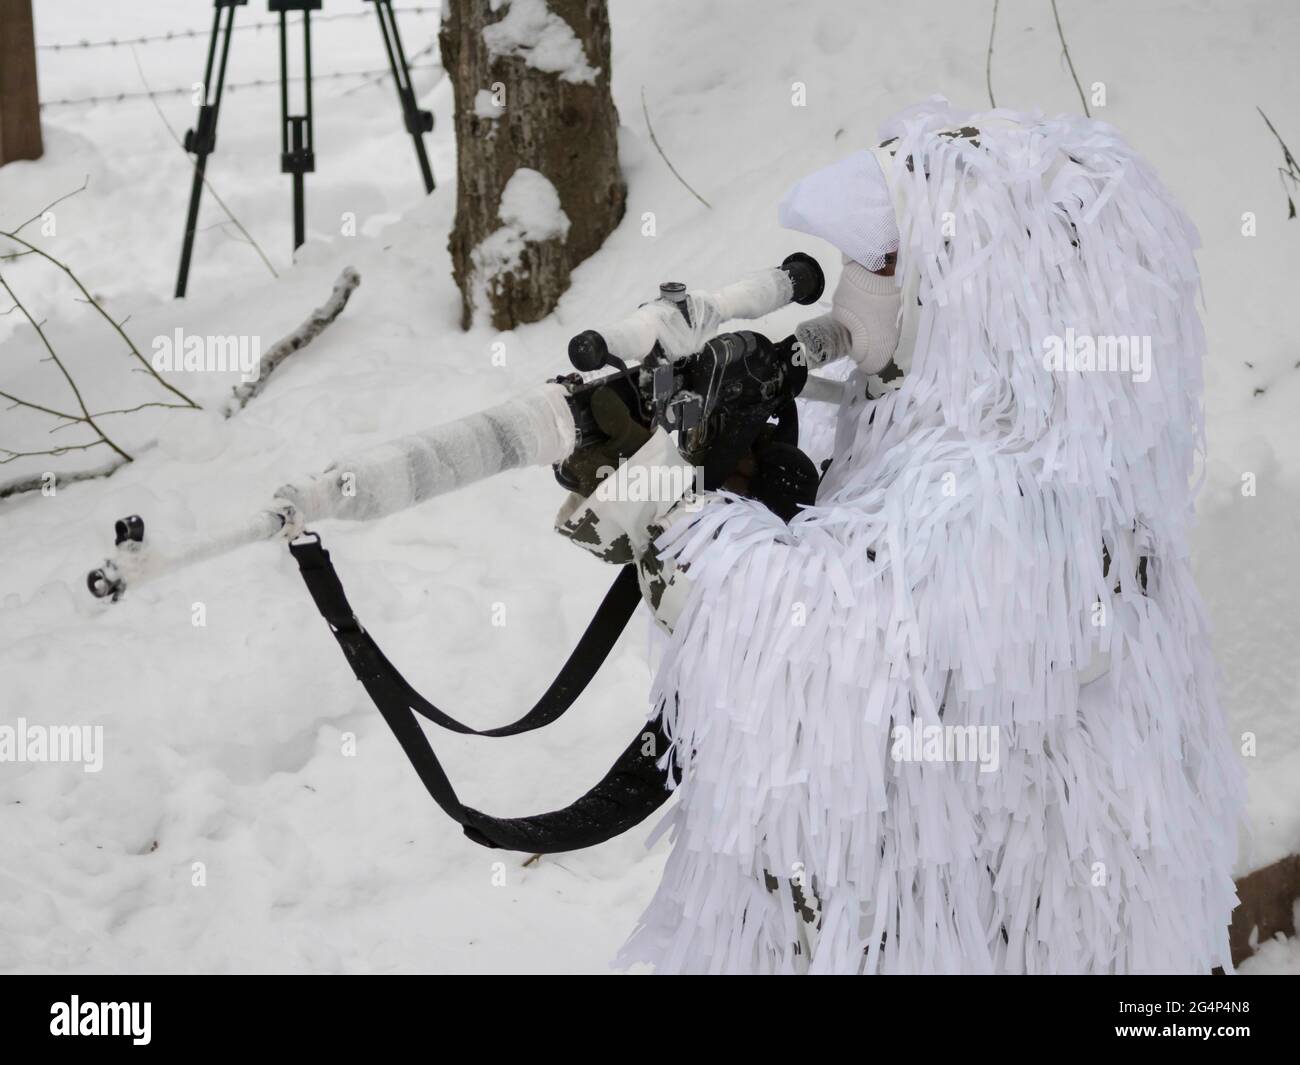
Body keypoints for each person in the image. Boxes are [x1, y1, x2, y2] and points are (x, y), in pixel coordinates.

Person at [555, 99, 1244, 974]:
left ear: (987, 288)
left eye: (885, 262)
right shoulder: (1027, 452)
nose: (855, 287)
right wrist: (754, 486)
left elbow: (818, 685)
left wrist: (686, 519)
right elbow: (865, 577)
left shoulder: (1015, 496)